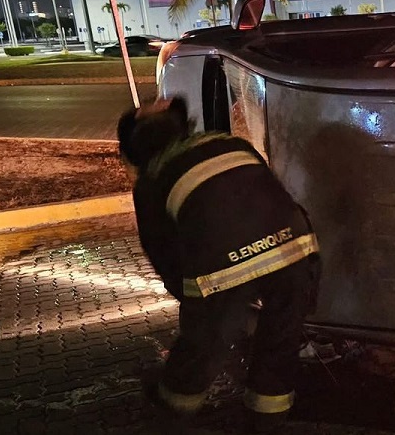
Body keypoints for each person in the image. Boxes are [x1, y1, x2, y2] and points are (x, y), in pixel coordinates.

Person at [117, 97, 319, 417]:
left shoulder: (153, 179)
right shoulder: (231, 143)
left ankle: (176, 402)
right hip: (295, 246)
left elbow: (162, 251)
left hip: (222, 264)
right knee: (283, 329)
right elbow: (265, 193)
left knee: (207, 337)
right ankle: (270, 410)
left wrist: (191, 300)